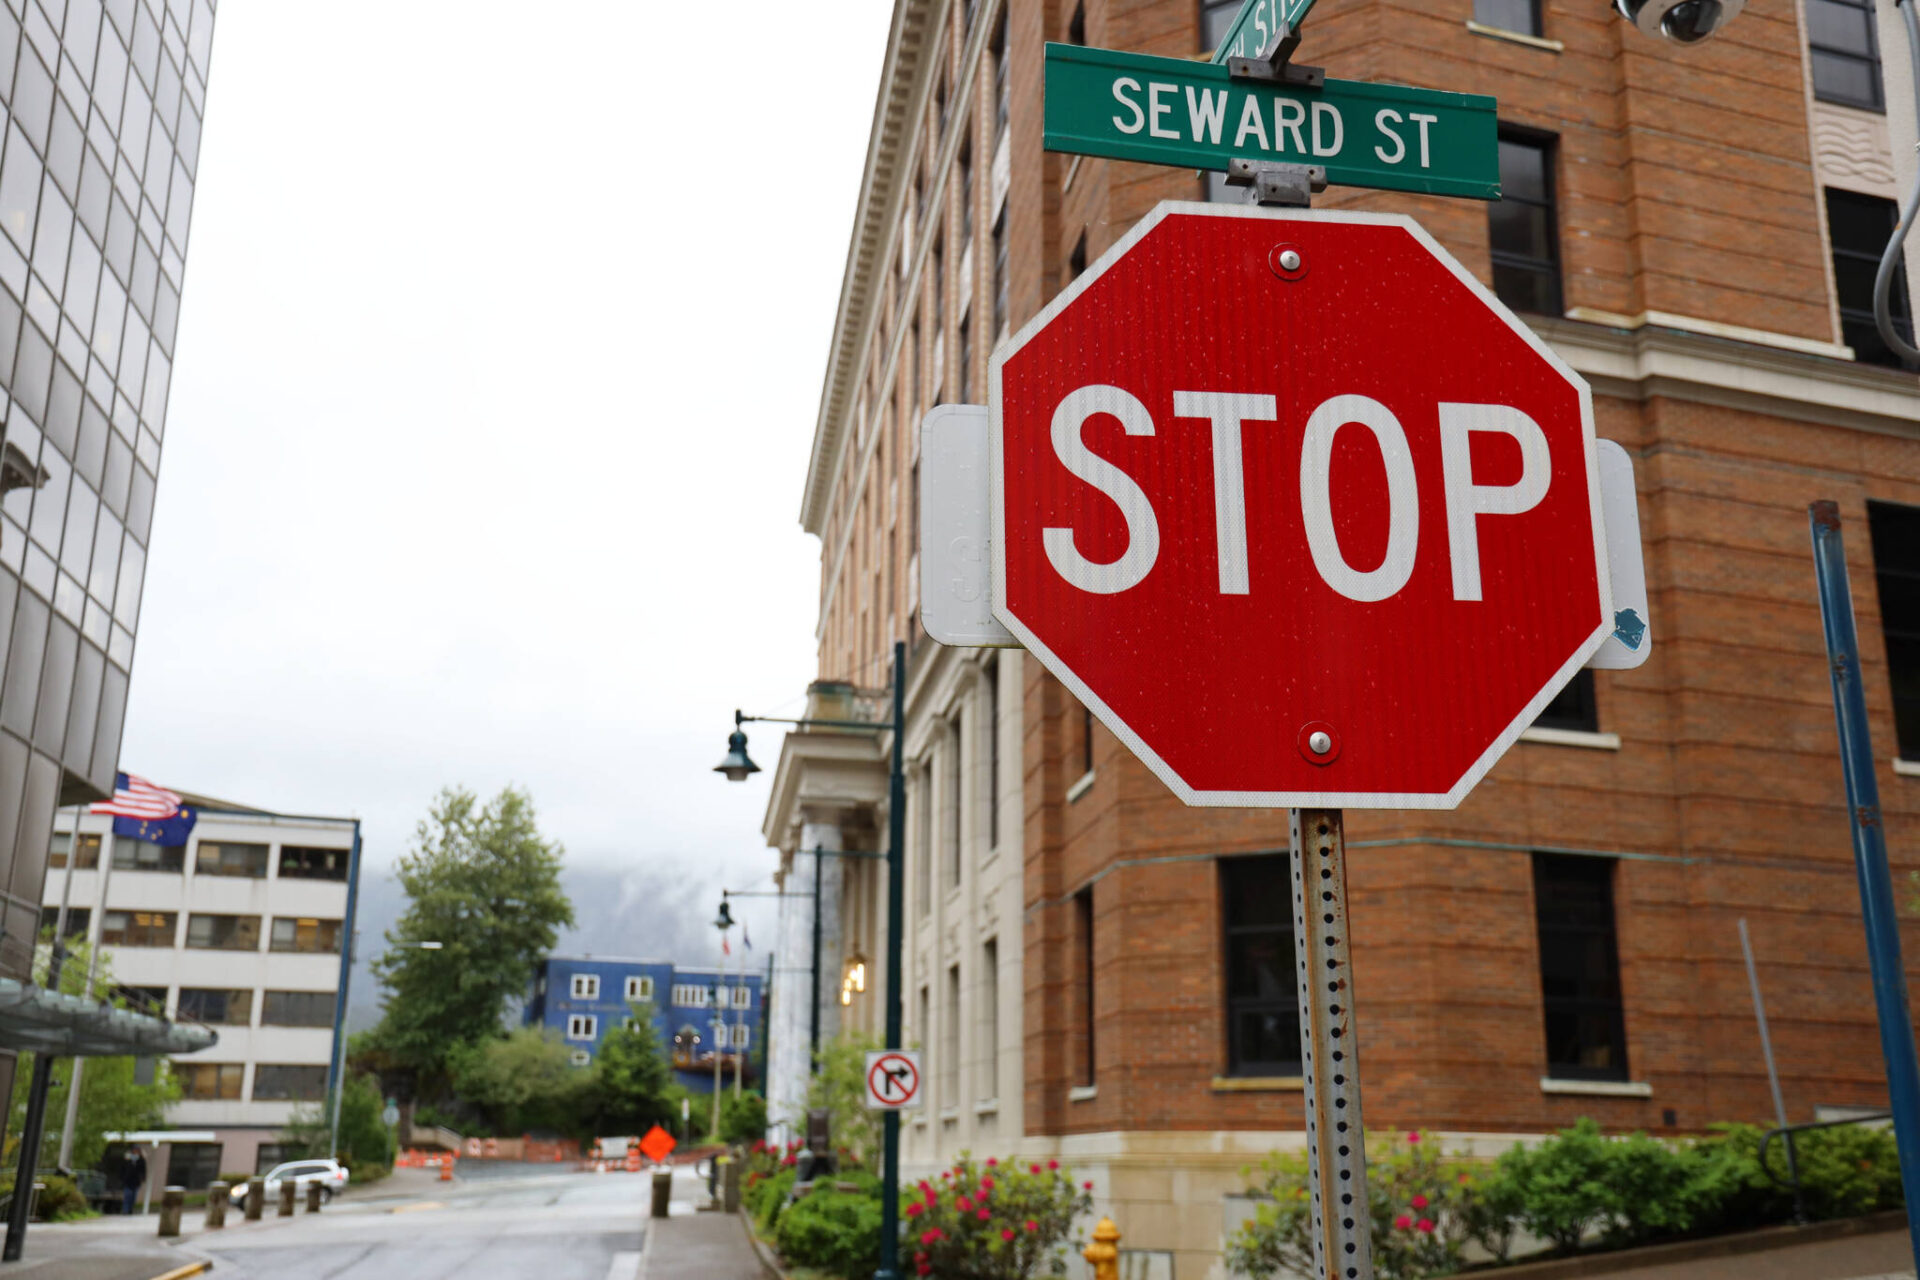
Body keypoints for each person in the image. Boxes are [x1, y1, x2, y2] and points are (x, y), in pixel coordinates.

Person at [121, 1149, 146, 1215]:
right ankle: (125, 1211)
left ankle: (130, 1210)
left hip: (136, 1182)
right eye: (134, 1151)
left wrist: (143, 1179)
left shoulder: (141, 1160)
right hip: (128, 1181)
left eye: (137, 1152)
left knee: (133, 1197)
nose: (135, 1153)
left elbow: (143, 1170)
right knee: (127, 1196)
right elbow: (123, 1169)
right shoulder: (128, 1160)